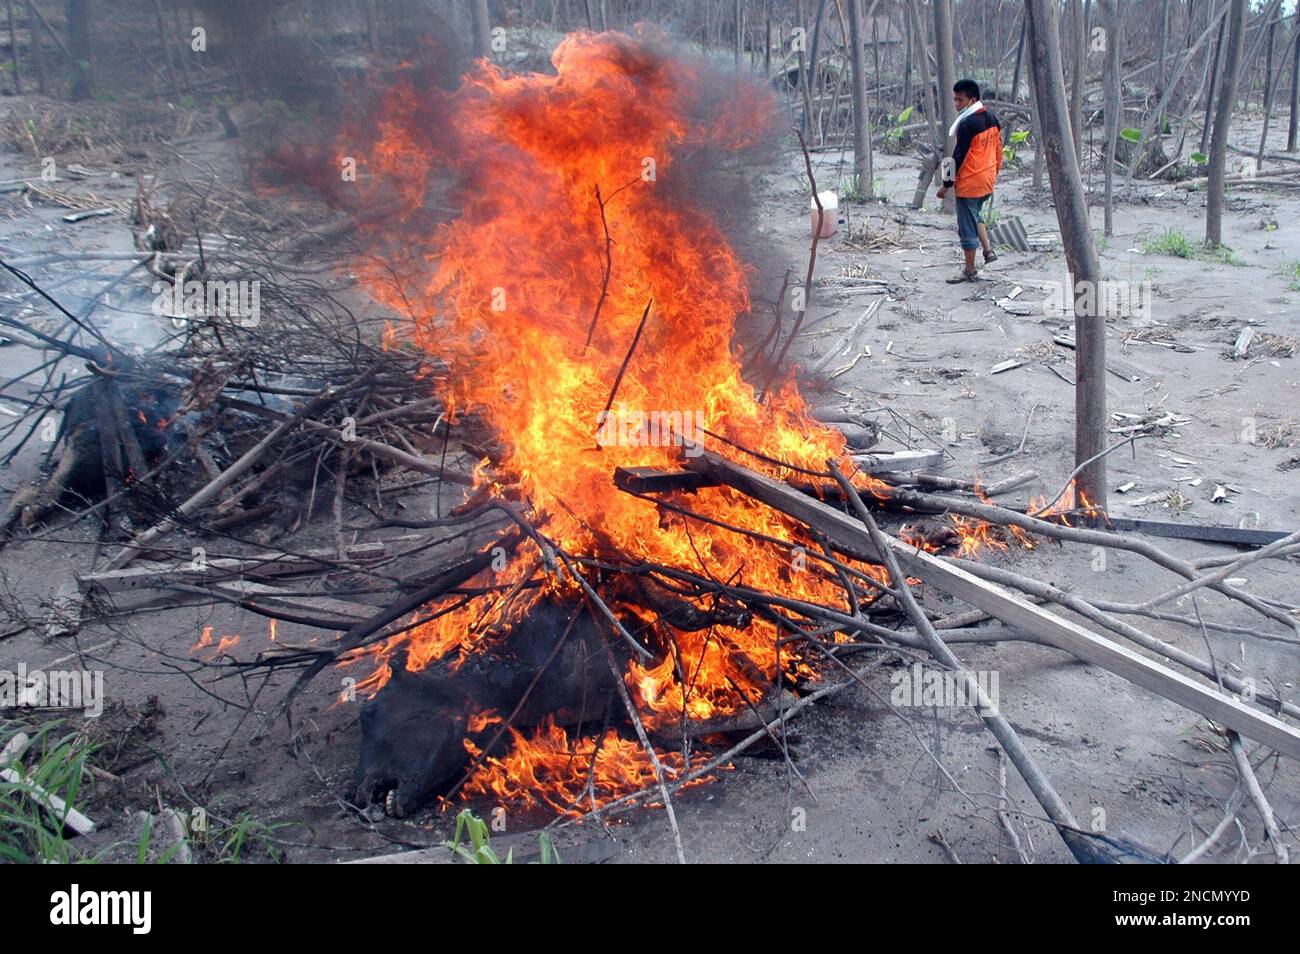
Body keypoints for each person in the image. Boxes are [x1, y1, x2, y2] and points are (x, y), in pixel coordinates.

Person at [937, 79, 1002, 283]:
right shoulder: (992, 119)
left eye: (960, 100)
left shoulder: (967, 124)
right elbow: (998, 152)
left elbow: (957, 157)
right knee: (975, 215)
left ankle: (970, 270)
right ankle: (988, 250)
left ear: (972, 99)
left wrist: (945, 186)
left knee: (966, 227)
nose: (956, 104)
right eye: (955, 100)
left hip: (970, 182)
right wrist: (994, 173)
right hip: (987, 179)